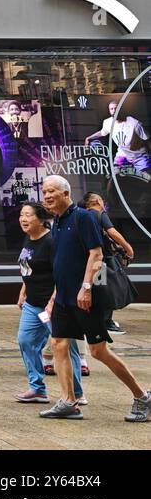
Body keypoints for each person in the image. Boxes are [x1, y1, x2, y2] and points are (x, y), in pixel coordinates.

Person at [38, 174, 150, 421]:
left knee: (98, 351)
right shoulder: (56, 222)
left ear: (66, 194)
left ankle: (143, 397)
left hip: (86, 297)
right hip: (64, 297)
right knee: (58, 343)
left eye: (52, 191)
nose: (46, 195)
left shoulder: (84, 217)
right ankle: (68, 401)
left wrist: (86, 287)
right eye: (44, 191)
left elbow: (96, 255)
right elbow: (62, 264)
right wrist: (54, 296)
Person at [14, 202, 84, 405]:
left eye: (28, 215)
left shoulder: (52, 242)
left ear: (41, 219)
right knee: (25, 341)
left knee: (65, 348)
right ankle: (37, 388)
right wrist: (23, 291)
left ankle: (77, 393)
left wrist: (53, 301)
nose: (23, 219)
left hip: (54, 305)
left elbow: (62, 274)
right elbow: (28, 268)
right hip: (32, 303)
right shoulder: (29, 238)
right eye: (21, 215)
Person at [82, 191, 134, 336]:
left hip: (87, 259)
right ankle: (105, 322)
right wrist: (128, 248)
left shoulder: (82, 215)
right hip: (101, 261)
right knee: (105, 290)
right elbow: (113, 233)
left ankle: (94, 321)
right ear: (98, 202)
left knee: (94, 290)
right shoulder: (99, 215)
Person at [85, 101, 150, 172]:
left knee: (146, 178)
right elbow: (102, 132)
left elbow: (148, 140)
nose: (114, 111)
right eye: (111, 109)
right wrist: (89, 138)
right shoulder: (108, 123)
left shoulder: (134, 123)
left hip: (139, 156)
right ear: (109, 111)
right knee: (114, 176)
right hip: (123, 154)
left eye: (116, 108)